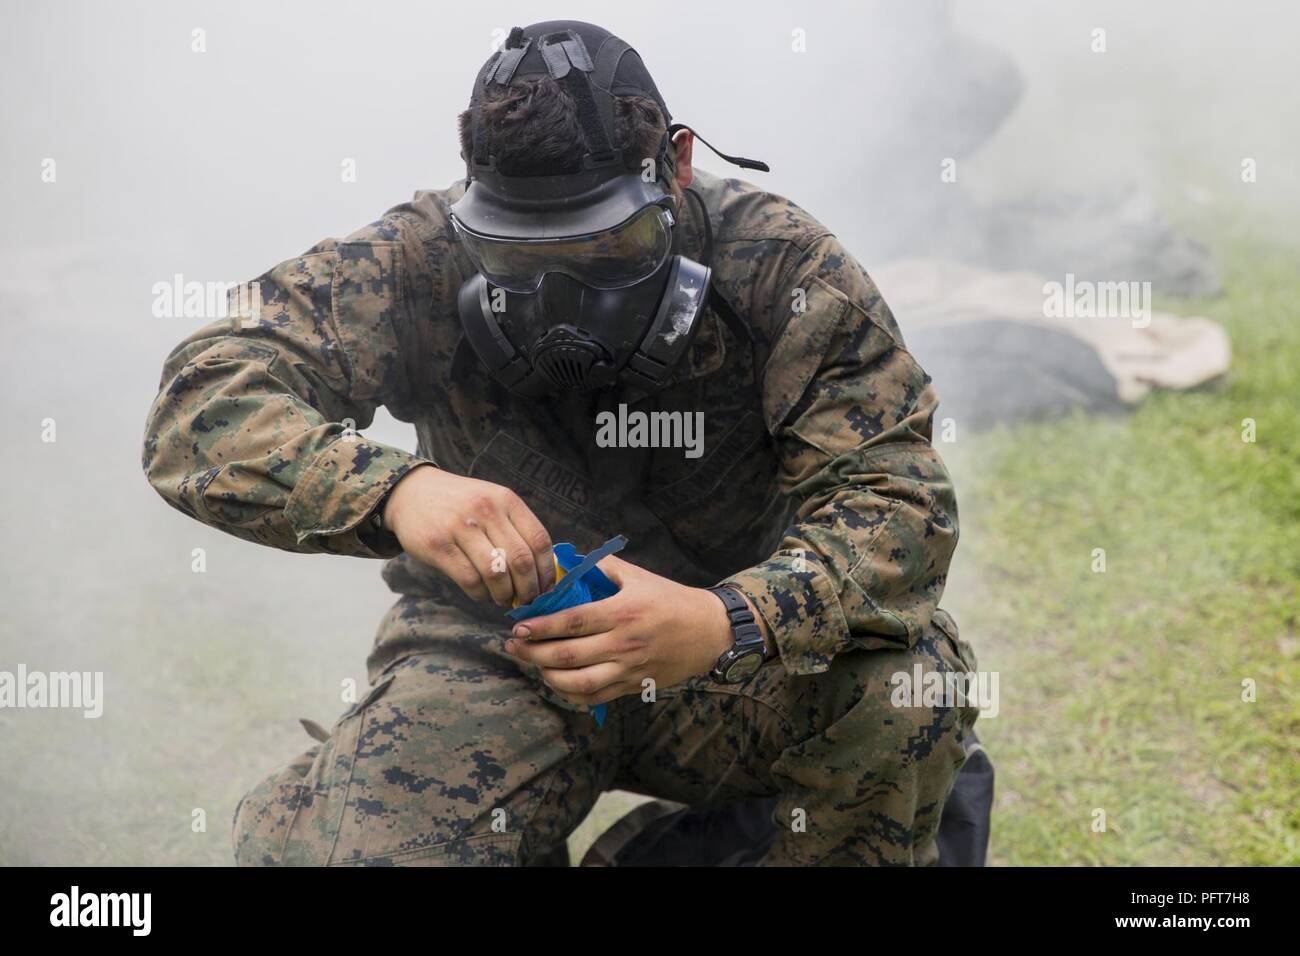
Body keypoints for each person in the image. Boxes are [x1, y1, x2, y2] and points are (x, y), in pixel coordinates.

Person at [142, 19, 979, 866]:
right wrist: (395, 491)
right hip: (499, 656)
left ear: (677, 165)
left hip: (734, 663)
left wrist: (725, 618)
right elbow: (204, 398)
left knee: (908, 686)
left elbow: (899, 504)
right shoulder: (418, 254)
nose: (564, 300)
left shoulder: (781, 268)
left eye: (610, 247)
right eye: (517, 255)